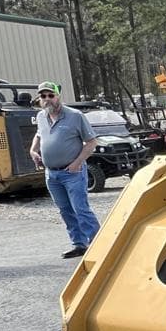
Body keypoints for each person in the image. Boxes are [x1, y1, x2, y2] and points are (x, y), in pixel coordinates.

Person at [29, 81, 100, 258]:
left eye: (50, 95)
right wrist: (33, 151)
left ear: (58, 96)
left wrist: (77, 163)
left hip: (73, 173)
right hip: (51, 174)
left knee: (80, 208)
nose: (47, 99)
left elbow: (91, 142)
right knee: (65, 210)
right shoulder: (41, 116)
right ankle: (79, 244)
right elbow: (39, 135)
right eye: (43, 96)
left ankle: (99, 244)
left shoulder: (75, 116)